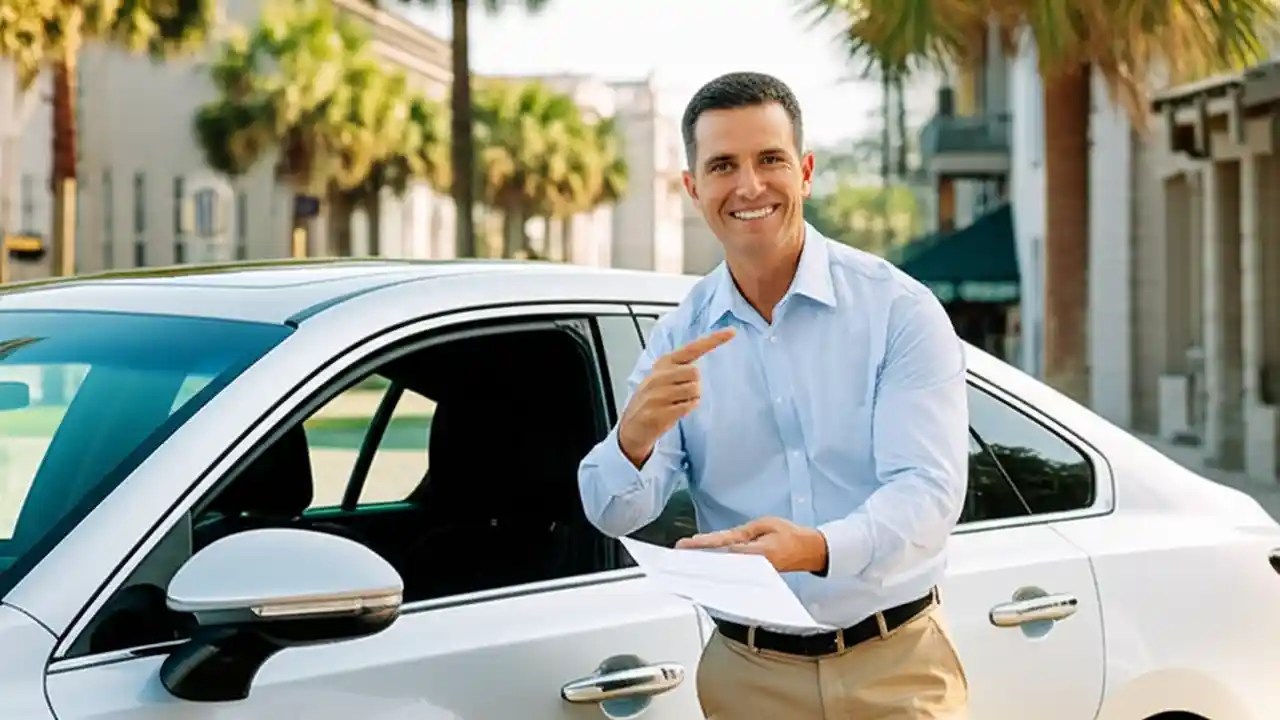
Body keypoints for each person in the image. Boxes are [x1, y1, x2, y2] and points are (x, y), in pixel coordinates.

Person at [576, 71, 970, 719]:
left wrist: (814, 548)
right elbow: (612, 511)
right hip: (748, 677)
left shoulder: (898, 310)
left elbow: (928, 493)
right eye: (723, 165)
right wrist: (633, 438)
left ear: (805, 172)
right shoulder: (678, 337)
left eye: (770, 160)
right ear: (693, 188)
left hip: (895, 666)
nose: (749, 185)